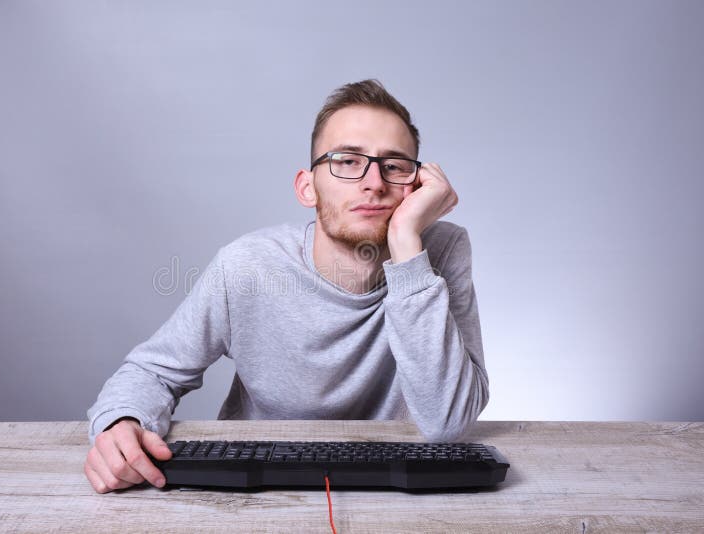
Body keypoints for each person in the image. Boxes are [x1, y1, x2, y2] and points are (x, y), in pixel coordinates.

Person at [84, 79, 489, 494]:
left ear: (417, 185)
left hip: (390, 492)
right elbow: (152, 372)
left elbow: (448, 421)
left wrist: (406, 243)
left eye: (395, 165)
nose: (374, 182)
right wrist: (122, 421)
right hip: (256, 489)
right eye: (347, 161)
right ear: (306, 187)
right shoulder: (248, 265)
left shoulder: (438, 251)